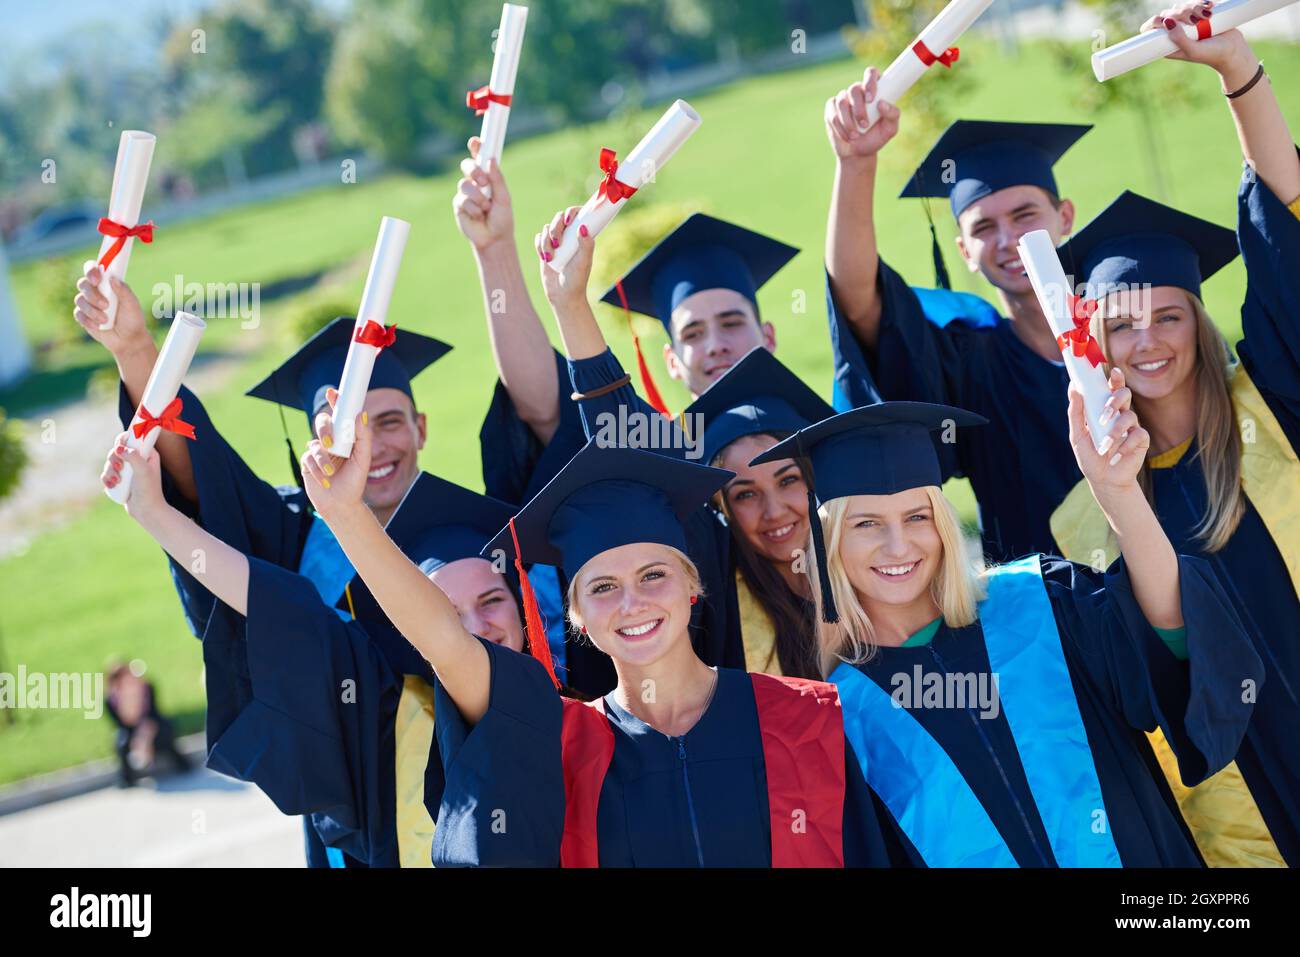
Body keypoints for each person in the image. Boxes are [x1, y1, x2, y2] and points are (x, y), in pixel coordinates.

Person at [300, 415, 909, 867]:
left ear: (692, 588)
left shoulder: (801, 715)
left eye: (653, 576)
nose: (632, 603)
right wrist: (347, 514)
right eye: (603, 588)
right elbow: (444, 641)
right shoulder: (559, 743)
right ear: (577, 619)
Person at [753, 391, 1262, 866]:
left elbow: (1172, 643)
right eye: (866, 524)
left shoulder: (1043, 602)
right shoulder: (842, 721)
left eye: (917, 516)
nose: (897, 546)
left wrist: (1120, 493)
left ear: (944, 527)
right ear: (831, 541)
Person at [1049, 0, 1300, 867]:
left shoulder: (1275, 408)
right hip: (1255, 804)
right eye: (1122, 325)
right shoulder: (1091, 520)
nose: (1149, 340)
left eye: (1168, 315)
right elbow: (1152, 690)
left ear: (1197, 320)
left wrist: (1239, 73)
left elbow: (1284, 238)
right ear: (1096, 344)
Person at [102, 441, 527, 866]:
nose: (476, 628)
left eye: (492, 600)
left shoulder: (574, 698)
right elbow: (277, 609)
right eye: (445, 612)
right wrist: (153, 513)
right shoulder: (381, 714)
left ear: (521, 607)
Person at [823, 68, 1093, 562]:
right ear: (964, 250)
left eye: (1025, 214)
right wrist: (856, 165)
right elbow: (860, 304)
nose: (1008, 239)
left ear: (1066, 216)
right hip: (1047, 610)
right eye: (983, 226)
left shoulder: (1132, 332)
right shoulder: (975, 363)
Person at [103, 662, 192, 788]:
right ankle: (127, 778)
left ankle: (181, 762)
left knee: (165, 730)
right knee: (122, 742)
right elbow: (122, 723)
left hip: (151, 722)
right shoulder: (111, 700)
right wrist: (129, 700)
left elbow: (154, 712)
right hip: (130, 730)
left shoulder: (146, 687)